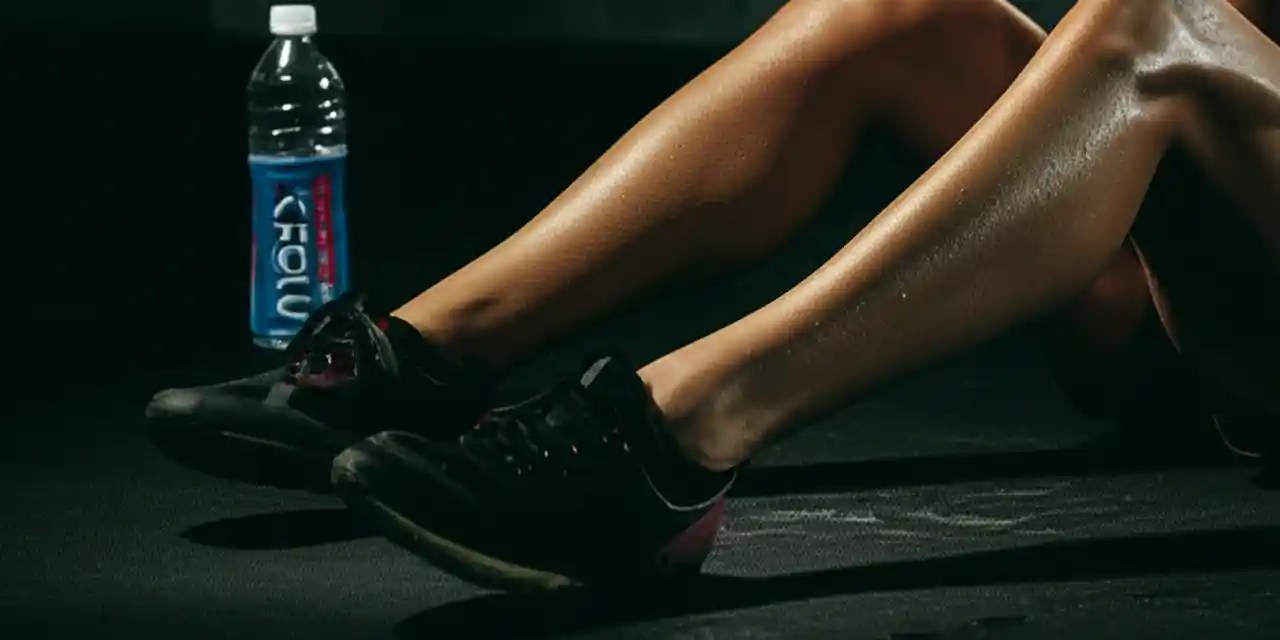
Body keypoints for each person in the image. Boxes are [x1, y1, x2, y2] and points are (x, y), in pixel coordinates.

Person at [147, 0, 1280, 591]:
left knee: (1154, 27)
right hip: (1203, 287)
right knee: (895, 10)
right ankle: (433, 356)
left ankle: (672, 441)